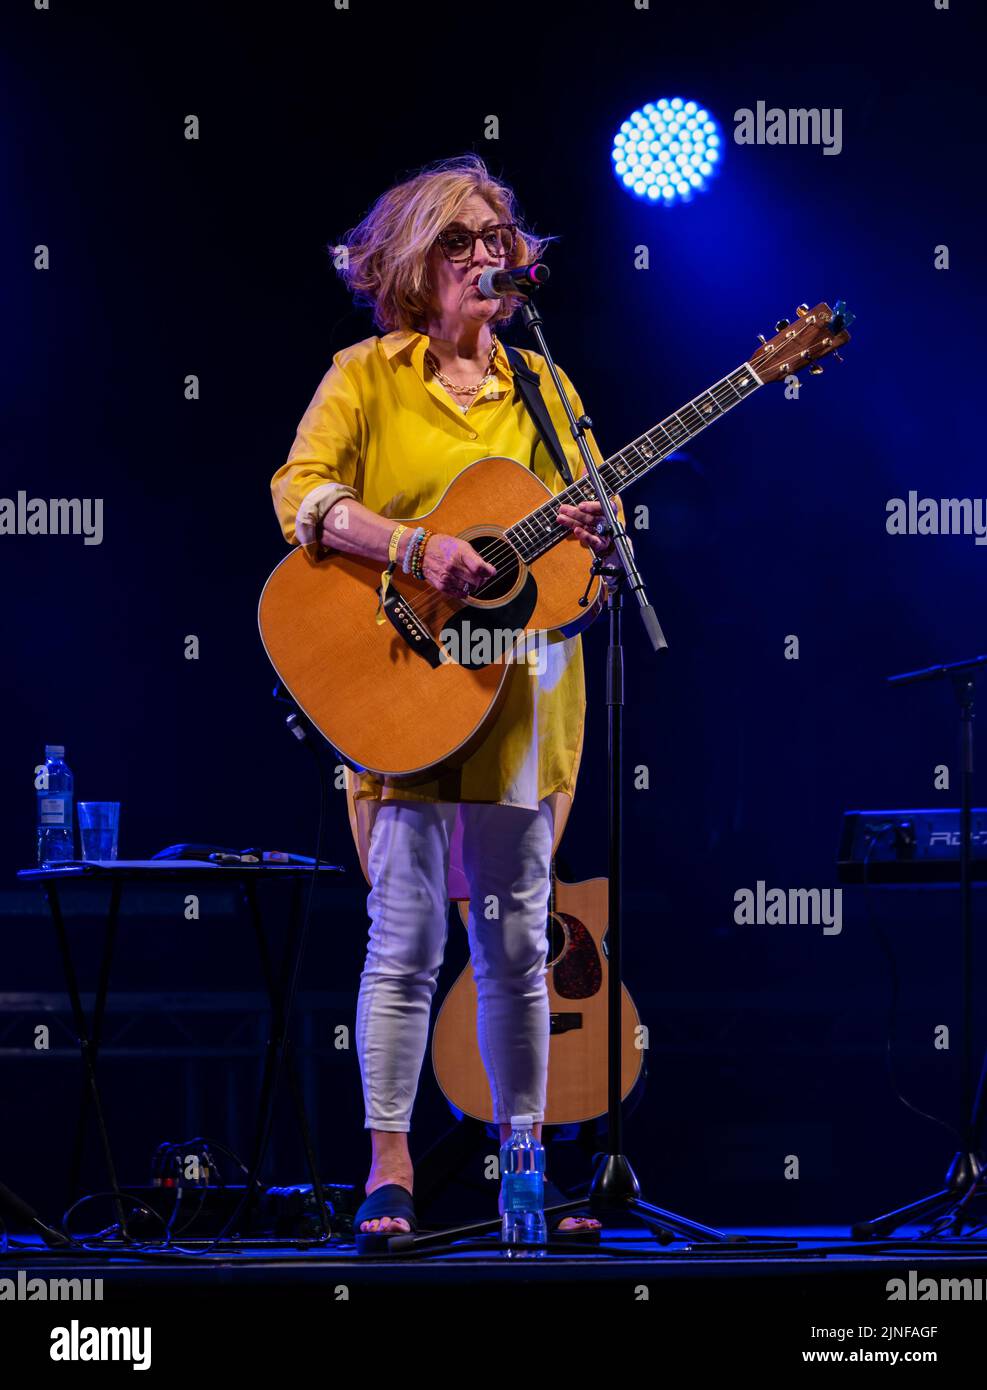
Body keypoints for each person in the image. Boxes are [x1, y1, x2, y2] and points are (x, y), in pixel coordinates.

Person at [271, 155, 623, 1243]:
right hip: (406, 684)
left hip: (520, 691)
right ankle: (390, 1171)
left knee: (518, 941)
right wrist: (417, 545)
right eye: (461, 241)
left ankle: (524, 1167)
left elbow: (581, 565)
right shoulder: (366, 374)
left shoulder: (547, 390)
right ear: (414, 266)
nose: (487, 257)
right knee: (408, 932)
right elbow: (303, 492)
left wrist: (600, 551)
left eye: (499, 242)